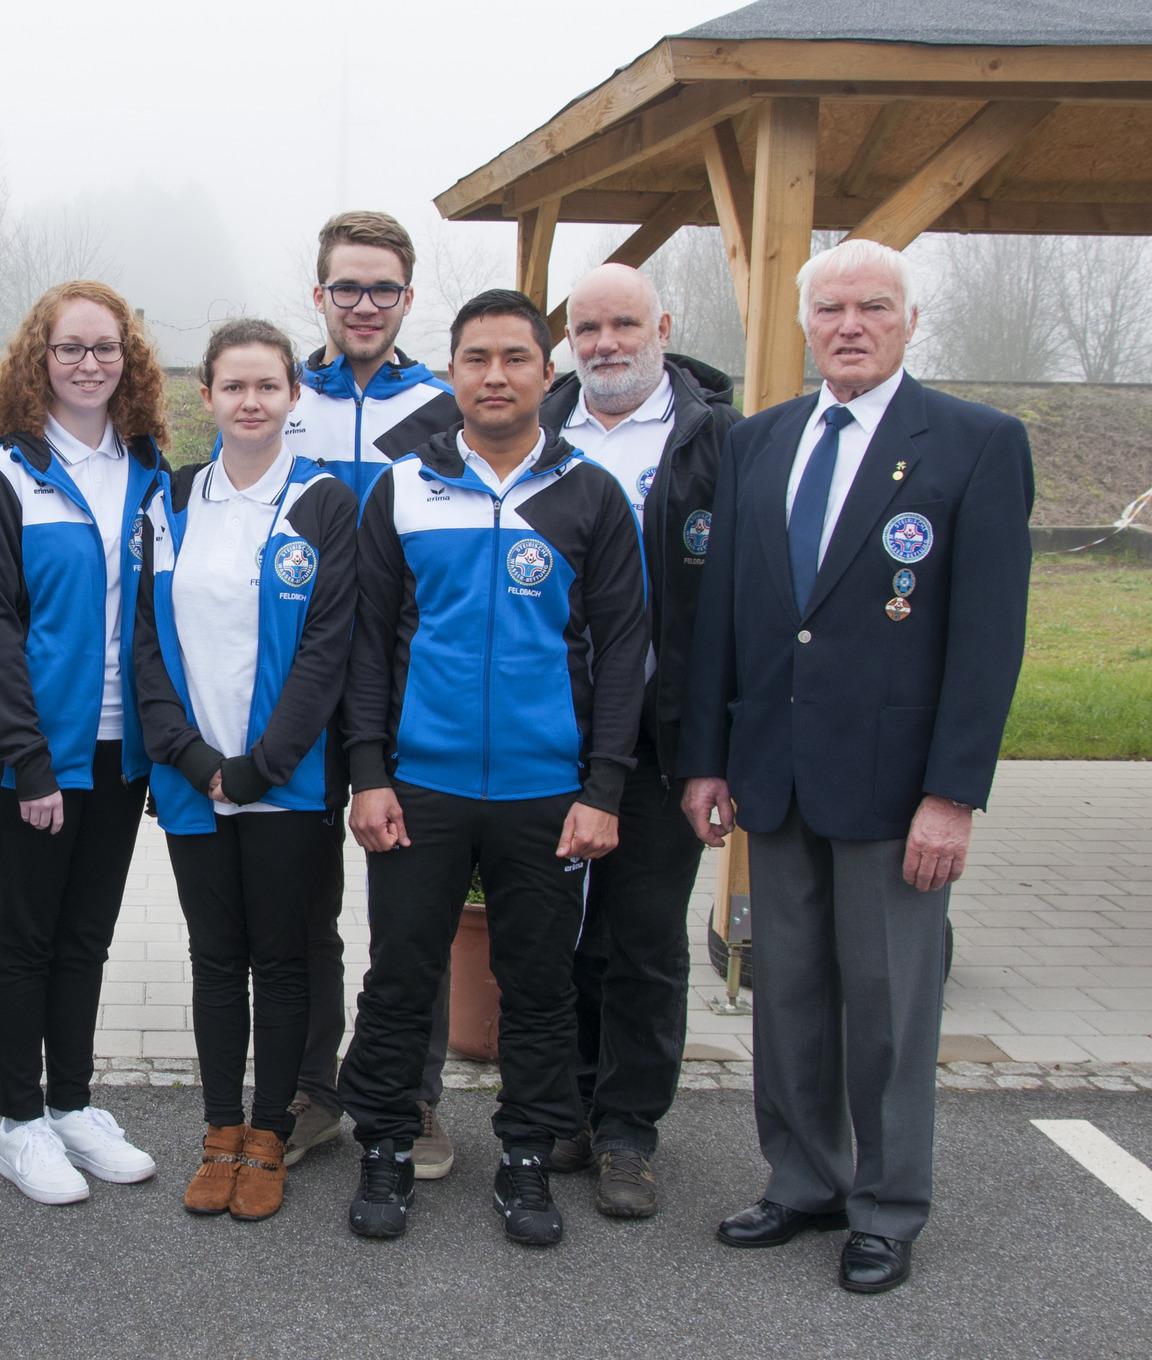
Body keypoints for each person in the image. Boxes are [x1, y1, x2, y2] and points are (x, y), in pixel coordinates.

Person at [680, 238, 1033, 1295]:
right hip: (773, 776)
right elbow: (727, 616)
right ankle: (801, 1178)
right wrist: (706, 757)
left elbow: (985, 640)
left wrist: (952, 794)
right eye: (828, 307)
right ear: (803, 323)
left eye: (871, 307)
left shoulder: (972, 444)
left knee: (886, 1005)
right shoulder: (759, 441)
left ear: (908, 321)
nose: (848, 325)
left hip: (893, 790)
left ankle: (885, 1206)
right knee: (785, 992)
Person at [336, 289, 647, 1249]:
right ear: (453, 372)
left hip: (544, 792)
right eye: (476, 358)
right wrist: (368, 774)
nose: (496, 375)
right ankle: (386, 1142)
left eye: (516, 357)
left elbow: (624, 646)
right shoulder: (400, 488)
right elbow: (369, 646)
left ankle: (526, 1156)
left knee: (540, 983)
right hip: (419, 786)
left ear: (545, 375)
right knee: (400, 977)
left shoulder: (589, 492)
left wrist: (603, 790)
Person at [136, 318, 358, 1223]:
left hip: (286, 783)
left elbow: (327, 653)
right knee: (216, 959)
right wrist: (196, 761)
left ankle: (271, 1135)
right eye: (235, 386)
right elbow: (145, 644)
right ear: (208, 396)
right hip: (194, 779)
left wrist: (260, 768)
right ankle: (220, 1133)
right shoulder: (171, 498)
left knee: (285, 958)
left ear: (294, 396)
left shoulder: (325, 504)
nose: (252, 401)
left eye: (269, 386)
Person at [535, 262, 742, 1216]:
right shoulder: (537, 430)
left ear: (665, 324)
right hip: (548, 738)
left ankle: (627, 1131)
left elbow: (746, 606)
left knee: (645, 942)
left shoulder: (717, 443)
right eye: (588, 329)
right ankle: (568, 1106)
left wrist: (717, 751)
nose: (607, 343)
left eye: (625, 324)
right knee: (561, 936)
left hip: (661, 743)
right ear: (566, 341)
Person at [0, 281, 170, 1205]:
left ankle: (76, 1106)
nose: (90, 363)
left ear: (129, 359)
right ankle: (19, 1124)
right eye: (70, 347)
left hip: (123, 752)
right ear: (37, 358)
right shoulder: (10, 471)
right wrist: (28, 757)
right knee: (27, 935)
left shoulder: (151, 470)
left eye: (106, 348)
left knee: (86, 936)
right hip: (37, 754)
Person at [282, 211, 464, 1179]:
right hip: (297, 694)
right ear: (317, 295)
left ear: (405, 297)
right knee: (305, 907)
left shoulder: (444, 406)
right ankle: (314, 1088)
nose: (362, 305)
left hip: (406, 692)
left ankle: (410, 1091)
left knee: (411, 912)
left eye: (381, 289)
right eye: (344, 288)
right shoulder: (278, 394)